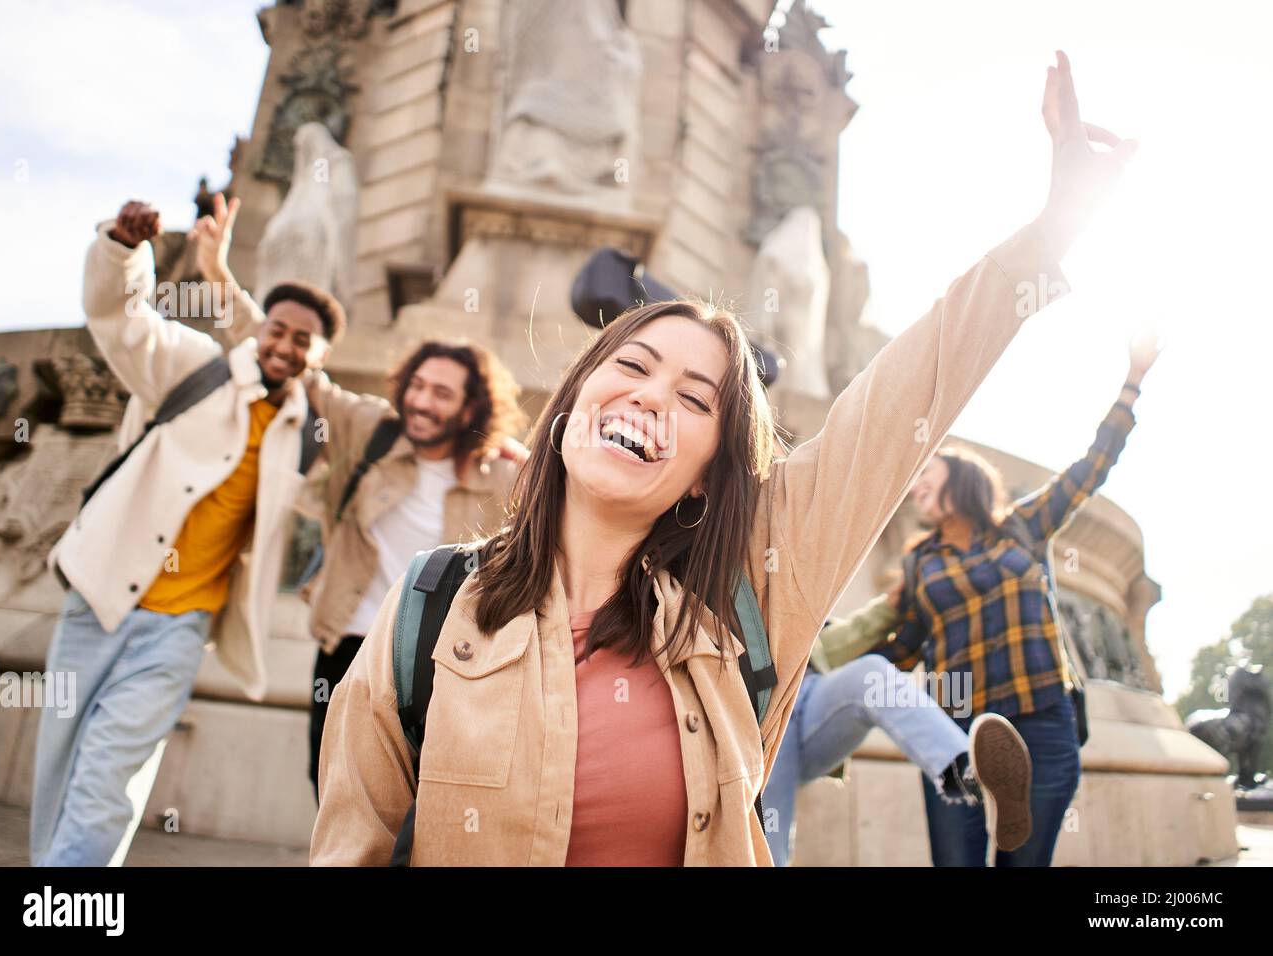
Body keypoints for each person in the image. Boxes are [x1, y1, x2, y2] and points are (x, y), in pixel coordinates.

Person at [310, 51, 1137, 866]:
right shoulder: (429, 605)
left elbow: (899, 405)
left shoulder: (751, 590)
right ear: (570, 407)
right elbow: (350, 845)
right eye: (631, 367)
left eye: (696, 398)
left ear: (710, 467)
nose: (651, 397)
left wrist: (1048, 233)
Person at [31, 199, 344, 866]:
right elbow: (120, 319)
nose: (284, 346)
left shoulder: (304, 434)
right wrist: (122, 249)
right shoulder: (194, 365)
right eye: (276, 330)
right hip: (99, 596)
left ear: (317, 358)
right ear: (260, 330)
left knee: (109, 773)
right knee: (62, 758)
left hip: (180, 628)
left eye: (302, 341)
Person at [187, 196, 528, 797]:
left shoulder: (497, 476)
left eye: (441, 394)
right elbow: (285, 359)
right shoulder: (368, 430)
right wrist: (218, 276)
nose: (422, 402)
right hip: (350, 645)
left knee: (425, 798)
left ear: (471, 407)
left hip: (444, 656)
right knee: (334, 788)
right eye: (417, 386)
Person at [876, 332, 1162, 866]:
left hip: (1039, 713)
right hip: (953, 719)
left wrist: (1133, 383)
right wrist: (832, 666)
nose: (917, 491)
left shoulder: (1023, 527)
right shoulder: (920, 562)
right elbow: (908, 644)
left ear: (962, 481)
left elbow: (1090, 469)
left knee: (1025, 861)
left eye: (927, 480)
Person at [761, 575, 1031, 866]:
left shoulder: (783, 589)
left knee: (872, 674)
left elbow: (827, 649)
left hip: (807, 696)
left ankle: (969, 773)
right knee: (766, 846)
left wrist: (888, 608)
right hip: (755, 716)